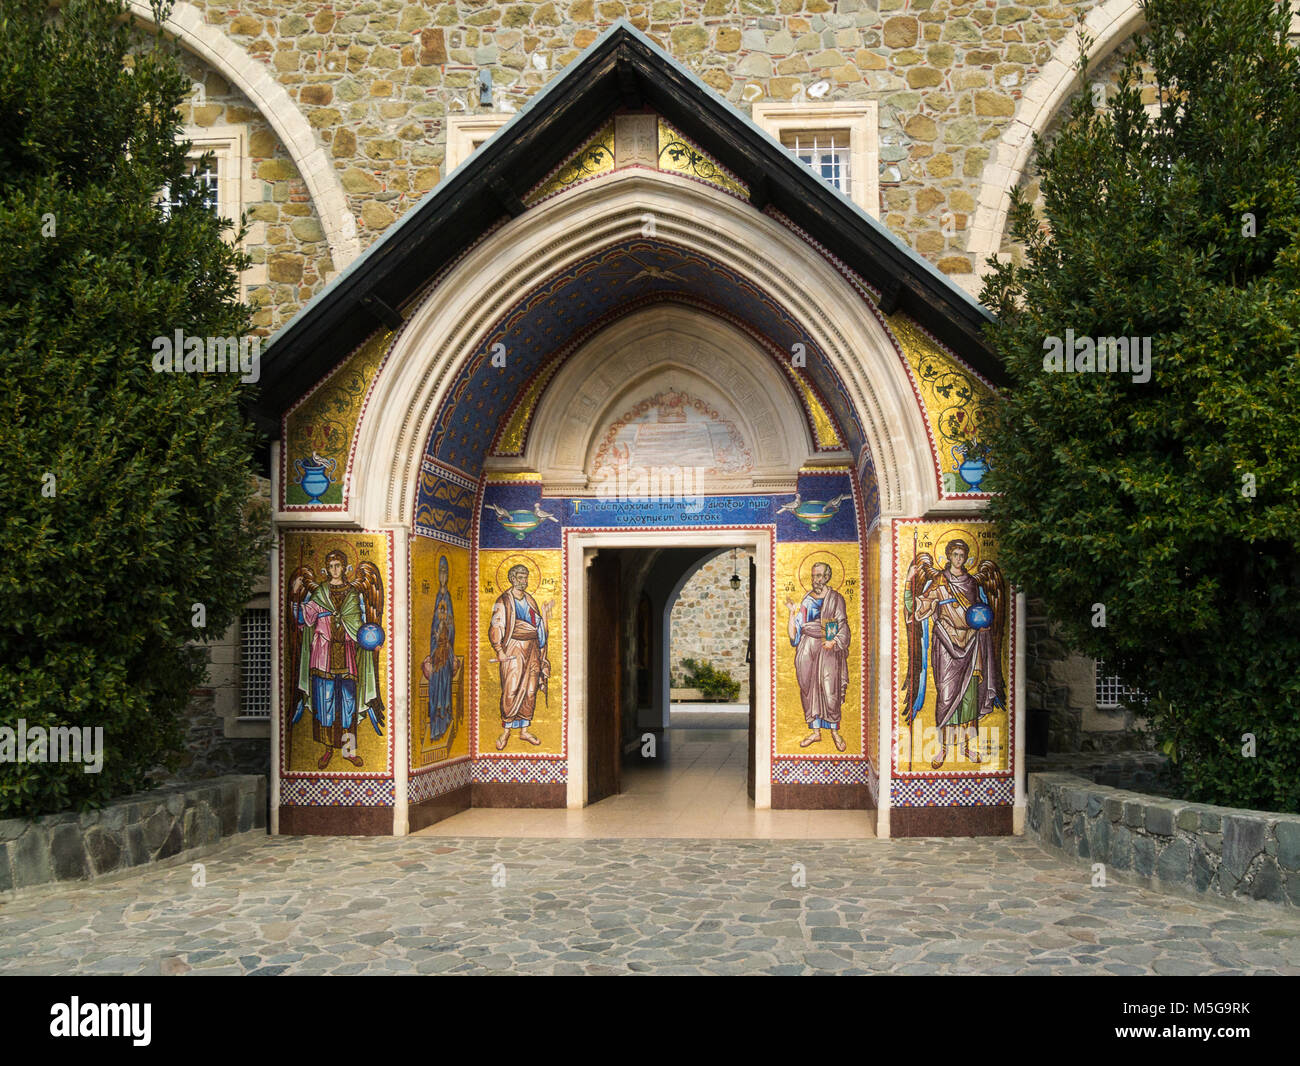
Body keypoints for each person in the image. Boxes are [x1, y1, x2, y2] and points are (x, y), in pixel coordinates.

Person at [905, 538, 1006, 769]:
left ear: (966, 557)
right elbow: (920, 607)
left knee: (969, 697)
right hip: (946, 644)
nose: (959, 559)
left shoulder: (971, 583)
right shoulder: (938, 580)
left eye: (962, 555)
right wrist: (909, 582)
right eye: (955, 555)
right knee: (947, 695)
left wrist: (985, 622)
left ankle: (968, 746)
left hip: (971, 644)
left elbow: (980, 608)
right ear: (949, 556)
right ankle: (942, 748)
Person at [291, 549, 385, 769]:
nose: (334, 570)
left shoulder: (352, 594)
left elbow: (359, 626)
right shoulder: (321, 592)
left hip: (347, 655)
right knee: (325, 704)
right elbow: (303, 618)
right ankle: (326, 751)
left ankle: (348, 750)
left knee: (348, 704)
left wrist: (372, 641)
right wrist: (295, 597)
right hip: (323, 656)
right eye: (331, 565)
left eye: (338, 565)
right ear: (326, 568)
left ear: (345, 568)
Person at [786, 562, 851, 751]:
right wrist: (791, 612)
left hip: (827, 647)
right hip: (807, 648)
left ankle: (835, 732)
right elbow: (796, 631)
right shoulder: (806, 599)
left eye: (820, 576)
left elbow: (843, 624)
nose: (817, 580)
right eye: (814, 576)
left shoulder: (835, 598)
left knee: (830, 690)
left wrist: (835, 641)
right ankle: (815, 732)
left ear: (827, 577)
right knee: (808, 689)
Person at [488, 564, 552, 750]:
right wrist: (499, 650)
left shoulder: (530, 600)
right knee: (512, 688)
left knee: (531, 689)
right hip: (514, 649)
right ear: (513, 578)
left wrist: (545, 615)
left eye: (526, 577)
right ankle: (506, 730)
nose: (524, 581)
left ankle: (524, 730)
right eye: (521, 577)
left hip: (532, 648)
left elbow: (538, 626)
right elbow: (496, 625)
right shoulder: (504, 601)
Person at [427, 555, 455, 742]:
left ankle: (444, 722)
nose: (443, 575)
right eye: (440, 571)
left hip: (445, 653)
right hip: (436, 652)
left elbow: (451, 627)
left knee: (444, 685)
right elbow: (432, 627)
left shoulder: (448, 598)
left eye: (445, 571)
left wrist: (446, 628)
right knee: (435, 686)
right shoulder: (437, 596)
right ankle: (435, 726)